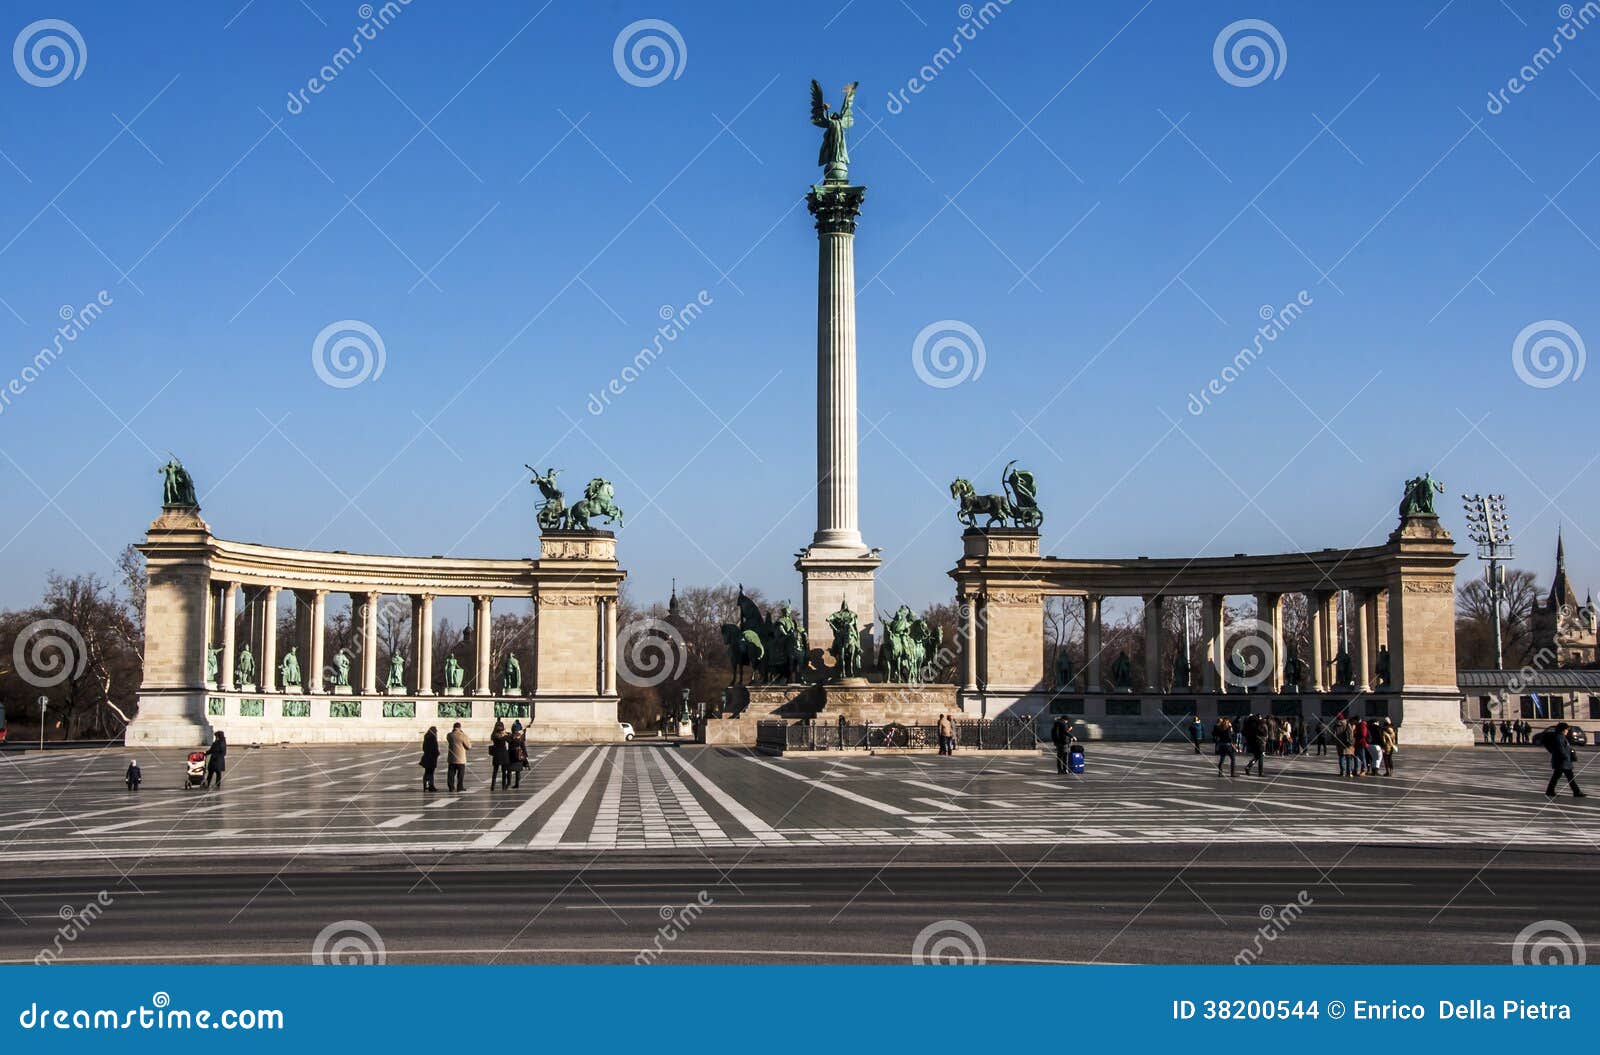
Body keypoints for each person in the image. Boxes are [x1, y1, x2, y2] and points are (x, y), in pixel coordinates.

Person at [1542, 723, 1586, 798]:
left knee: (1558, 777)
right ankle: (1576, 792)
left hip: (1562, 761)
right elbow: (1561, 749)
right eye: (1566, 729)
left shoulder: (1561, 737)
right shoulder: (1559, 737)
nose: (1567, 731)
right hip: (1563, 762)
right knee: (1568, 777)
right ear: (1562, 730)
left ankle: (1550, 791)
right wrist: (1566, 756)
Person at [446, 722, 470, 792]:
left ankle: (451, 787)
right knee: (460, 774)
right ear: (460, 727)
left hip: (452, 758)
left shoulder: (449, 735)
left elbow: (449, 738)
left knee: (451, 774)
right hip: (460, 758)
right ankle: (460, 787)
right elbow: (468, 746)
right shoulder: (463, 735)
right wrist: (463, 734)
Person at [420, 726, 440, 792]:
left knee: (427, 772)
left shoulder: (426, 737)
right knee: (431, 772)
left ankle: (425, 785)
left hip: (426, 757)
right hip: (432, 758)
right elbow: (435, 748)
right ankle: (431, 786)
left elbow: (423, 748)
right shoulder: (433, 738)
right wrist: (437, 753)